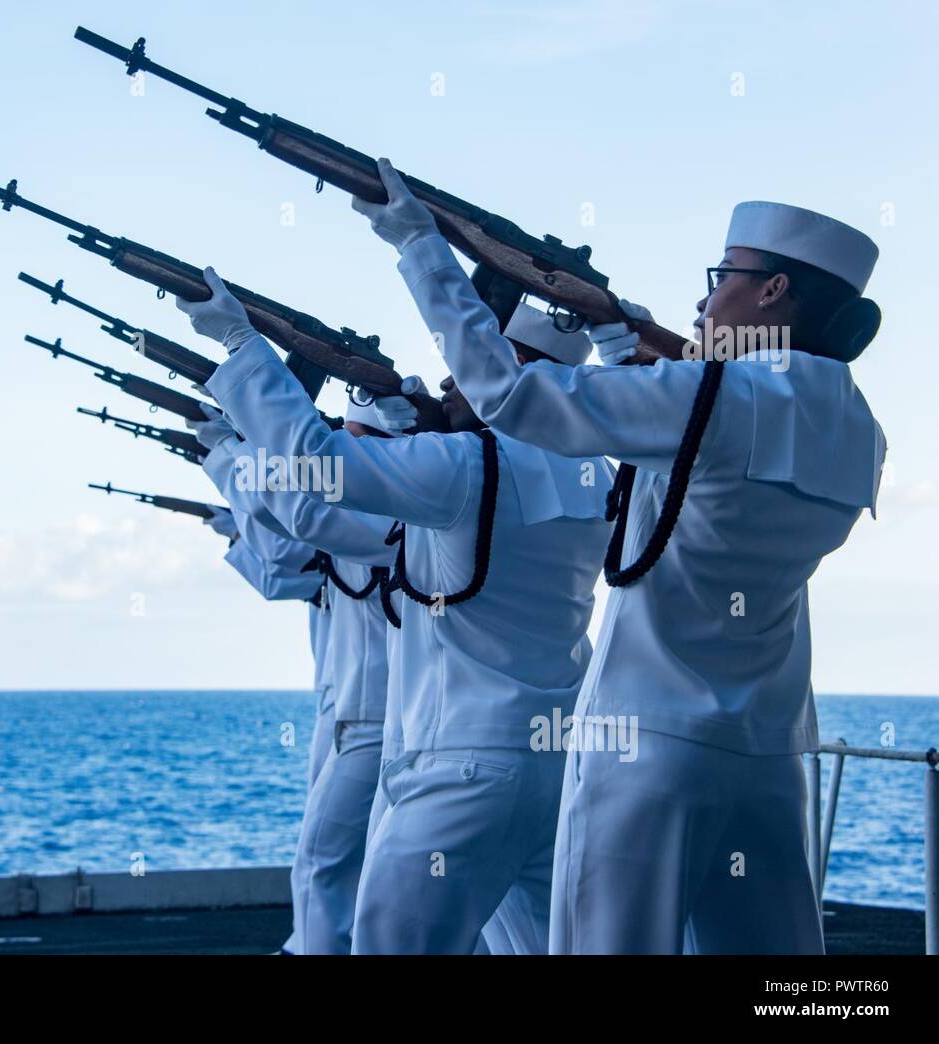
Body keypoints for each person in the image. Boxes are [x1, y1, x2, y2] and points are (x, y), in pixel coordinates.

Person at [353, 159, 885, 954]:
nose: (706, 301)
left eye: (723, 278)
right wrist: (613, 329)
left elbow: (512, 397)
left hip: (650, 746)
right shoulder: (857, 426)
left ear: (773, 292)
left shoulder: (714, 393)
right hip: (769, 751)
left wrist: (419, 248)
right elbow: (707, 454)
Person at [178, 275, 612, 954]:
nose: (445, 385)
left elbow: (314, 471)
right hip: (552, 762)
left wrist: (240, 344)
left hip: (463, 770)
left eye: (464, 366)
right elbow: (314, 512)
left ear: (511, 375)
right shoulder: (594, 472)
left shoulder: (467, 466)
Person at [196, 400, 396, 953]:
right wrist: (235, 512)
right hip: (354, 711)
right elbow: (283, 562)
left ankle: (314, 947)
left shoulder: (379, 515)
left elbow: (293, 525)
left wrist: (228, 453)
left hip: (375, 715)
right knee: (347, 854)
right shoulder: (367, 513)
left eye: (350, 441)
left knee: (324, 856)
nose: (339, 453)